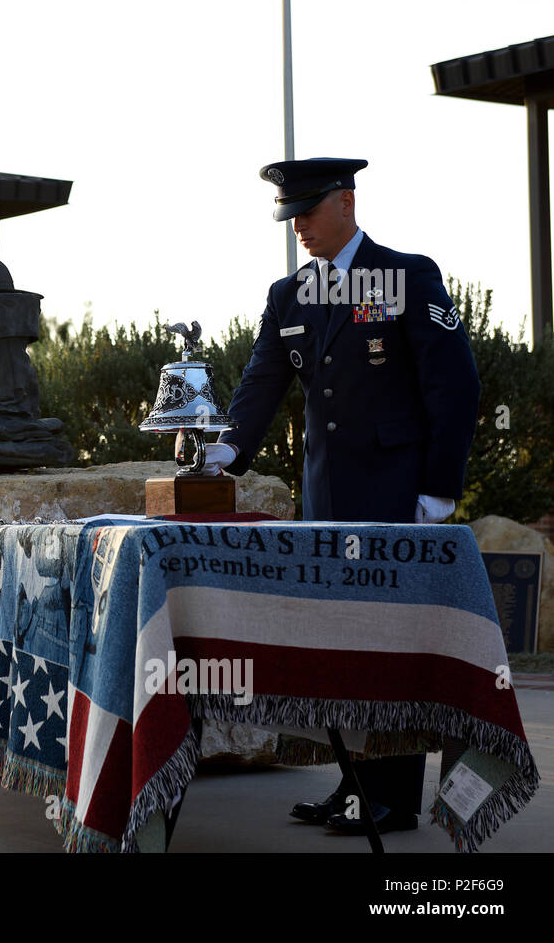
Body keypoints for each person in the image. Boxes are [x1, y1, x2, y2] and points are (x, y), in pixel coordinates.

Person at [203, 157, 481, 834]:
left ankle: (392, 795)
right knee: (340, 646)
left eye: (307, 211)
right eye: (290, 215)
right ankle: (353, 784)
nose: (297, 226)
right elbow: (260, 383)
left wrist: (438, 494)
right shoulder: (290, 294)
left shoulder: (403, 276)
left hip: (396, 497)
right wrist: (222, 456)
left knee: (393, 645)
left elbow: (455, 388)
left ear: (346, 202)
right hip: (326, 499)